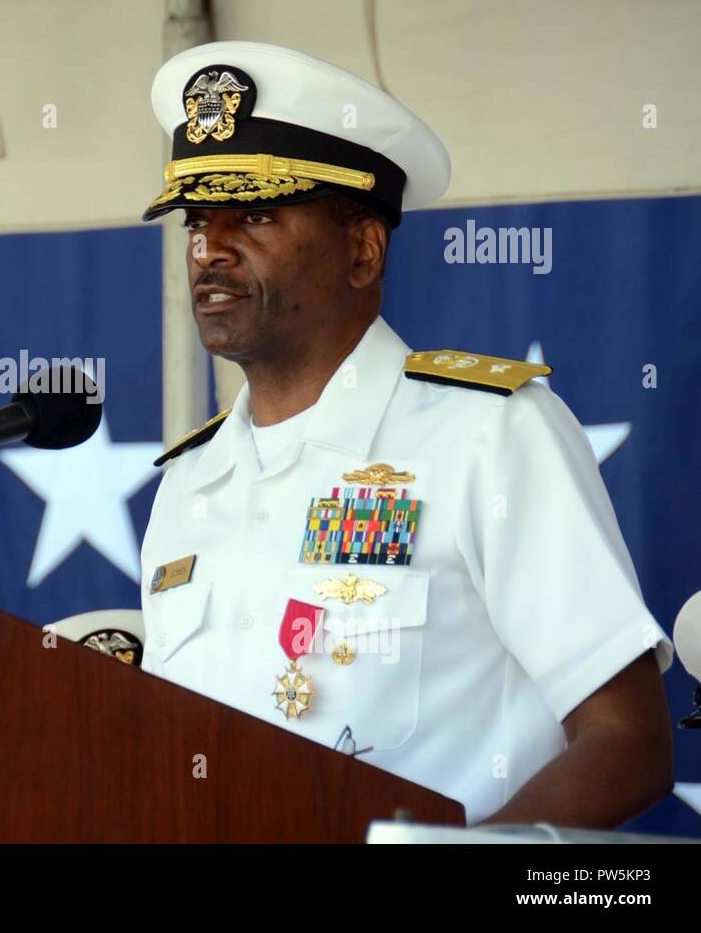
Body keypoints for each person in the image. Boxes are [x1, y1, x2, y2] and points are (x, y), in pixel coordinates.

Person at [138, 41, 674, 827]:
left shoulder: (488, 436)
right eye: (197, 220)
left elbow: (626, 740)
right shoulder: (188, 485)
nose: (209, 249)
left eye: (253, 215)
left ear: (362, 249)